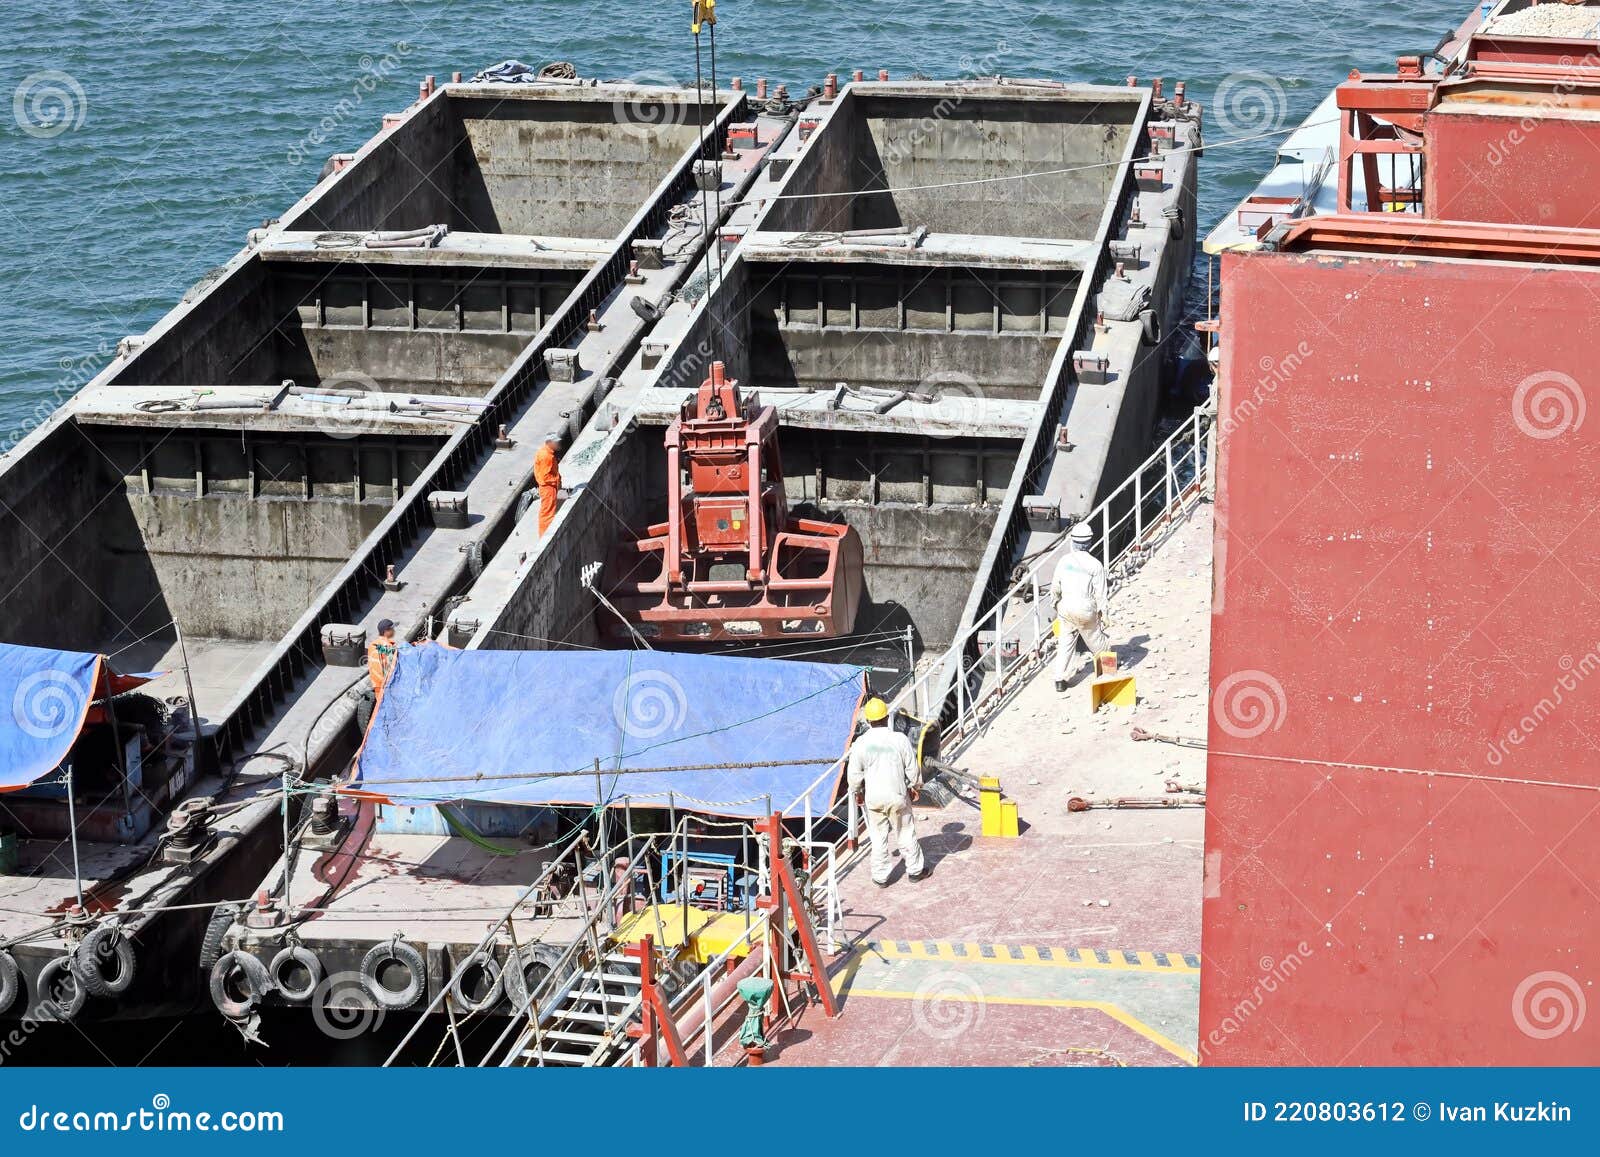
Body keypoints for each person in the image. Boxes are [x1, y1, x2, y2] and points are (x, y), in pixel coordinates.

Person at [845, 697, 926, 887]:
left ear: (868, 721)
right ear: (886, 717)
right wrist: (915, 786)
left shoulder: (861, 743)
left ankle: (880, 877)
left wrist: (857, 792)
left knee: (878, 837)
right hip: (897, 795)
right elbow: (912, 769)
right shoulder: (899, 739)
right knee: (905, 832)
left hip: (873, 798)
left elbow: (854, 776)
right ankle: (915, 871)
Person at [1051, 522, 1110, 692]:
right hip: (1085, 610)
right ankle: (1108, 668)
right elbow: (1101, 594)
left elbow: (1055, 587)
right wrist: (1105, 614)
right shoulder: (1095, 565)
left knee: (1065, 644)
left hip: (1066, 608)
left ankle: (1060, 680)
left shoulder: (1064, 561)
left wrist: (1055, 603)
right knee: (1097, 640)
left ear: (1073, 541)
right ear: (1089, 542)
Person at [533, 433, 563, 535]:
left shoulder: (543, 451)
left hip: (547, 487)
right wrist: (557, 479)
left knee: (547, 511)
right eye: (556, 442)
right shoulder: (547, 457)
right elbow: (545, 477)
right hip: (548, 488)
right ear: (550, 443)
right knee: (548, 513)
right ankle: (545, 535)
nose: (559, 444)